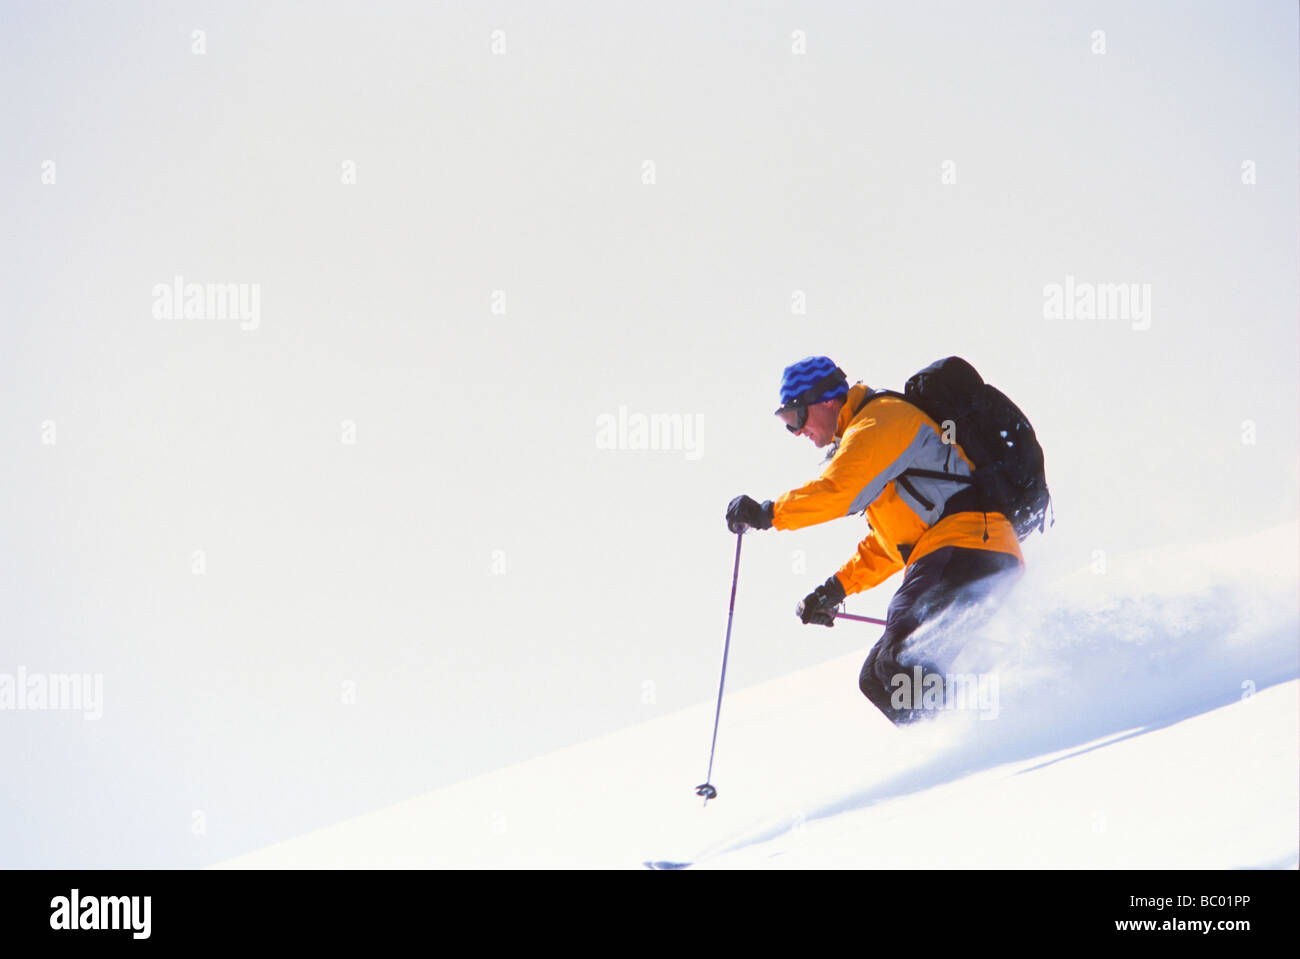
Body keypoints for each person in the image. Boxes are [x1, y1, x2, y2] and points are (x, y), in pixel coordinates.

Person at [724, 355, 1024, 725]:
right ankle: (945, 741)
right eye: (787, 423)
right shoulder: (868, 439)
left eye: (796, 417)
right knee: (876, 679)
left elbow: (838, 492)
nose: (797, 431)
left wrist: (767, 514)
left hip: (970, 543)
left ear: (827, 400)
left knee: (900, 658)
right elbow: (889, 543)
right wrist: (835, 589)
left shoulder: (879, 421)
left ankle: (983, 730)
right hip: (952, 551)